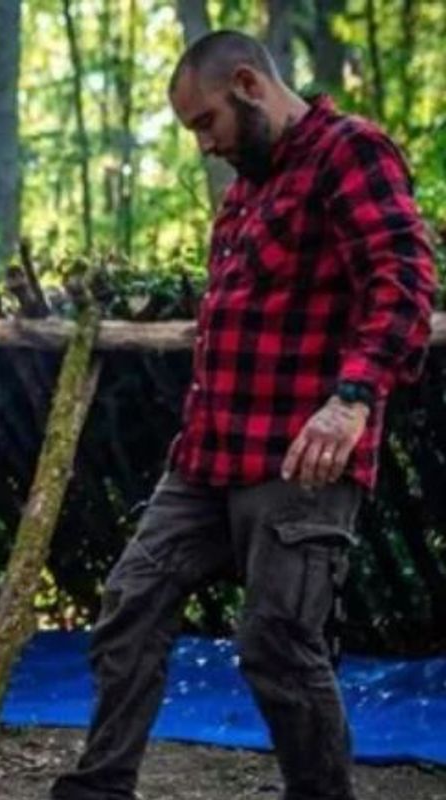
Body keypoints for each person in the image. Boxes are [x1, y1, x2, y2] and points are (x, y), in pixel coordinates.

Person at [51, 31, 438, 800]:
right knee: (129, 606)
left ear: (248, 84)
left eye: (206, 123)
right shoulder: (246, 192)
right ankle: (98, 790)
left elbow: (402, 282)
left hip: (303, 457)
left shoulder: (350, 152)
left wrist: (351, 400)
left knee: (278, 644)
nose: (205, 145)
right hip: (207, 458)